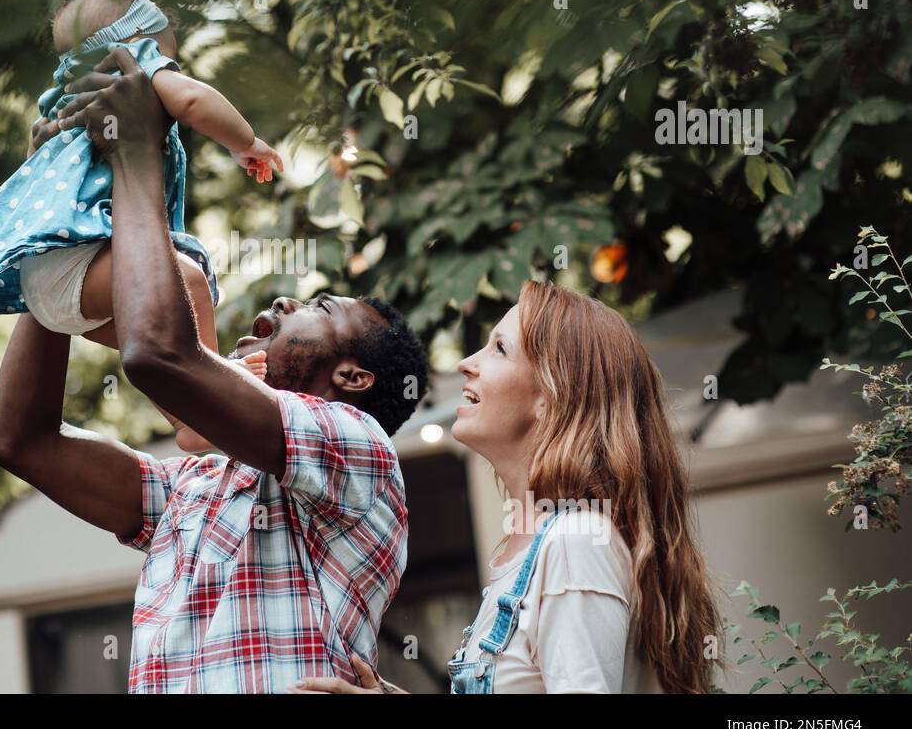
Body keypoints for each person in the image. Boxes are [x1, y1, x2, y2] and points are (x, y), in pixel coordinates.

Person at [0, 48, 431, 693]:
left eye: (319, 308)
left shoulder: (362, 454)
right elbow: (18, 441)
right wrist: (55, 241)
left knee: (181, 284)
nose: (282, 303)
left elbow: (159, 355)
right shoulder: (196, 485)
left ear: (354, 378)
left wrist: (136, 154)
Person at [292, 280, 721, 694]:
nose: (467, 363)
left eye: (499, 349)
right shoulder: (533, 552)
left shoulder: (575, 545)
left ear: (552, 396)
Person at [0, 0, 283, 452]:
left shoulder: (63, 96)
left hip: (47, 279)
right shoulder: (137, 64)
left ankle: (190, 419)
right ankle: (216, 383)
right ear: (143, 35)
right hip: (78, 263)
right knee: (186, 283)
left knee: (152, 338)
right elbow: (195, 101)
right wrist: (247, 143)